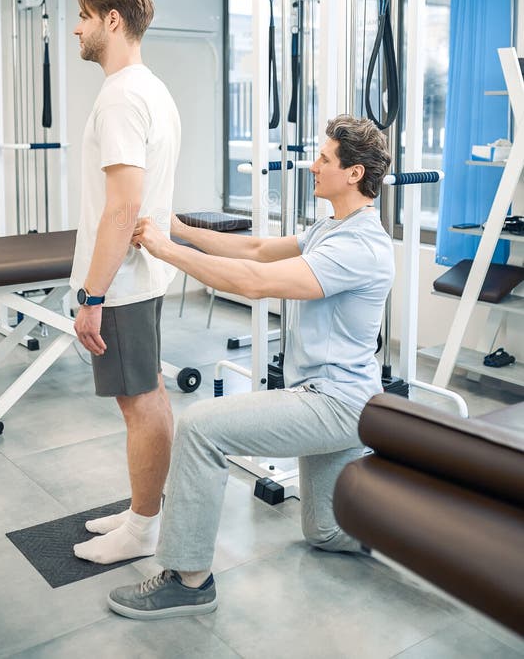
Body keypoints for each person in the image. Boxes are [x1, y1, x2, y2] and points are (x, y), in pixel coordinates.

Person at [106, 114, 394, 620]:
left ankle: (188, 577)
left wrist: (165, 249)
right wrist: (178, 228)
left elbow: (254, 282)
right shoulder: (333, 226)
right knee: (325, 532)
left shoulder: (360, 246)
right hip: (340, 399)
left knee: (199, 427)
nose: (312, 165)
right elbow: (257, 249)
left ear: (353, 174)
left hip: (335, 403)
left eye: (324, 159)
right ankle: (401, 527)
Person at [70, 0, 180, 565]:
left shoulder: (119, 96)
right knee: (150, 395)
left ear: (113, 21)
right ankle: (146, 509)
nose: (77, 27)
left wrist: (92, 295)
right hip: (142, 279)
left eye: (84, 16)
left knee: (138, 403)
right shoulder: (150, 88)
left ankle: (142, 530)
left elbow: (124, 205)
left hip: (125, 285)